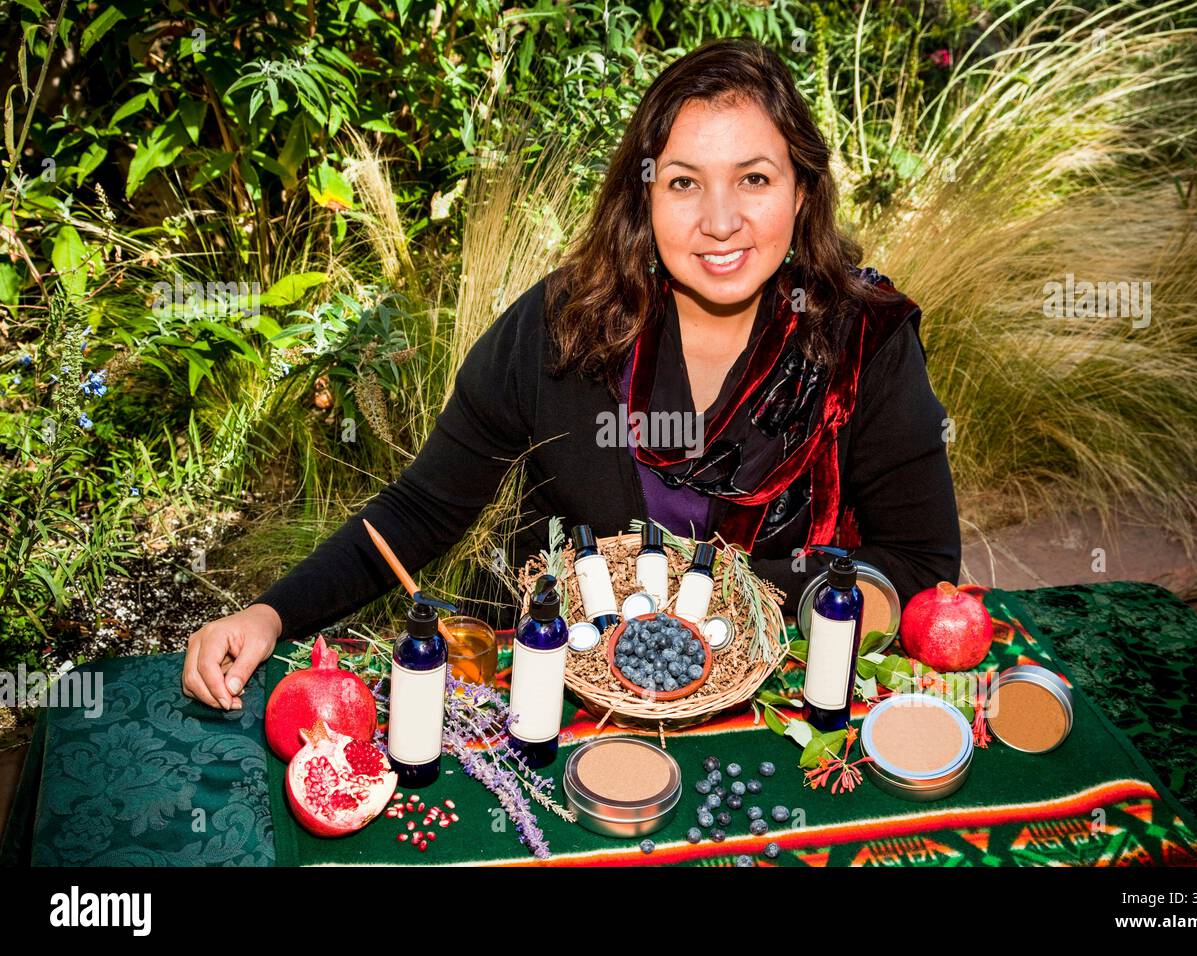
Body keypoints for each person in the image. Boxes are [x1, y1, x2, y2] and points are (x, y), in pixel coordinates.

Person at [181, 37, 961, 711]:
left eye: (754, 179)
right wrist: (269, 614)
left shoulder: (865, 340)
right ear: (644, 193)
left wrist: (748, 606)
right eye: (685, 181)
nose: (720, 220)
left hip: (789, 702)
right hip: (556, 699)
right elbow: (423, 507)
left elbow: (922, 568)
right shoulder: (562, 325)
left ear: (802, 188)